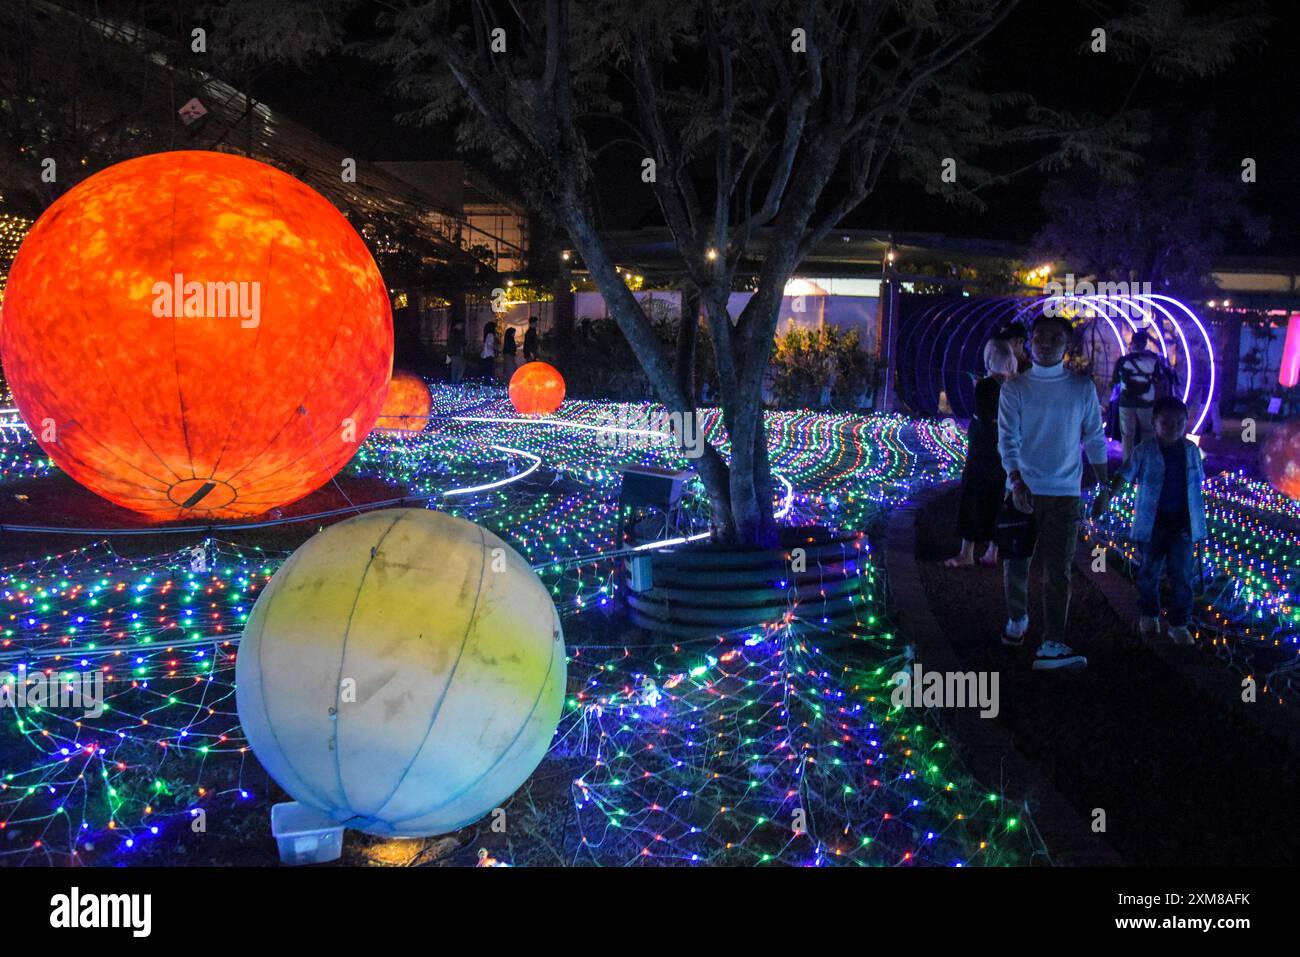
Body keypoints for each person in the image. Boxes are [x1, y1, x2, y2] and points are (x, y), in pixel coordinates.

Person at [998, 314, 1109, 671]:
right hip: (1023, 489)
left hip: (1064, 492)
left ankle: (1053, 641)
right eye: (1039, 336)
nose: (1045, 343)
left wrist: (1104, 482)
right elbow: (1007, 439)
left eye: (1054, 338)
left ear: (1067, 345)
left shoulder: (1081, 388)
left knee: (1059, 569)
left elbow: (1094, 435)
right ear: (1029, 341)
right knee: (1017, 561)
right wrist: (1015, 480)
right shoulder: (1015, 388)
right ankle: (1018, 617)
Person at [1092, 396, 1206, 645]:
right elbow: (1125, 474)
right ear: (1154, 423)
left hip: (1183, 525)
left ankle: (1179, 623)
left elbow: (1197, 486)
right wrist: (1108, 495)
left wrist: (1200, 522)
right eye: (1165, 422)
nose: (1172, 427)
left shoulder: (1191, 451)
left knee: (1182, 576)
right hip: (1153, 523)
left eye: (1179, 422)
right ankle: (1149, 614)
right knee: (1149, 572)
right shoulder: (1144, 451)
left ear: (1186, 422)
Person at [946, 338, 1019, 567]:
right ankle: (992, 552)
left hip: (983, 449)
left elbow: (982, 417)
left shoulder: (985, 386)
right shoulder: (1016, 386)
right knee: (998, 497)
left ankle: (966, 553)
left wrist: (978, 387)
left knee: (973, 495)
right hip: (1006, 449)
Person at [1111, 329, 1172, 463]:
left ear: (1132, 343)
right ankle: (1146, 462)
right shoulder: (1152, 360)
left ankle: (1127, 464)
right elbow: (1160, 378)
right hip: (1147, 402)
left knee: (1127, 436)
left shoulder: (1122, 361)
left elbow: (1115, 380)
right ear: (1145, 344)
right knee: (1148, 434)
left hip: (1126, 402)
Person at [447, 319, 466, 385]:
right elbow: (457, 343)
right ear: (457, 325)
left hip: (454, 353)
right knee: (459, 368)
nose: (462, 326)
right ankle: (455, 383)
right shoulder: (455, 333)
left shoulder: (453, 333)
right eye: (461, 325)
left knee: (455, 368)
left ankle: (454, 383)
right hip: (456, 353)